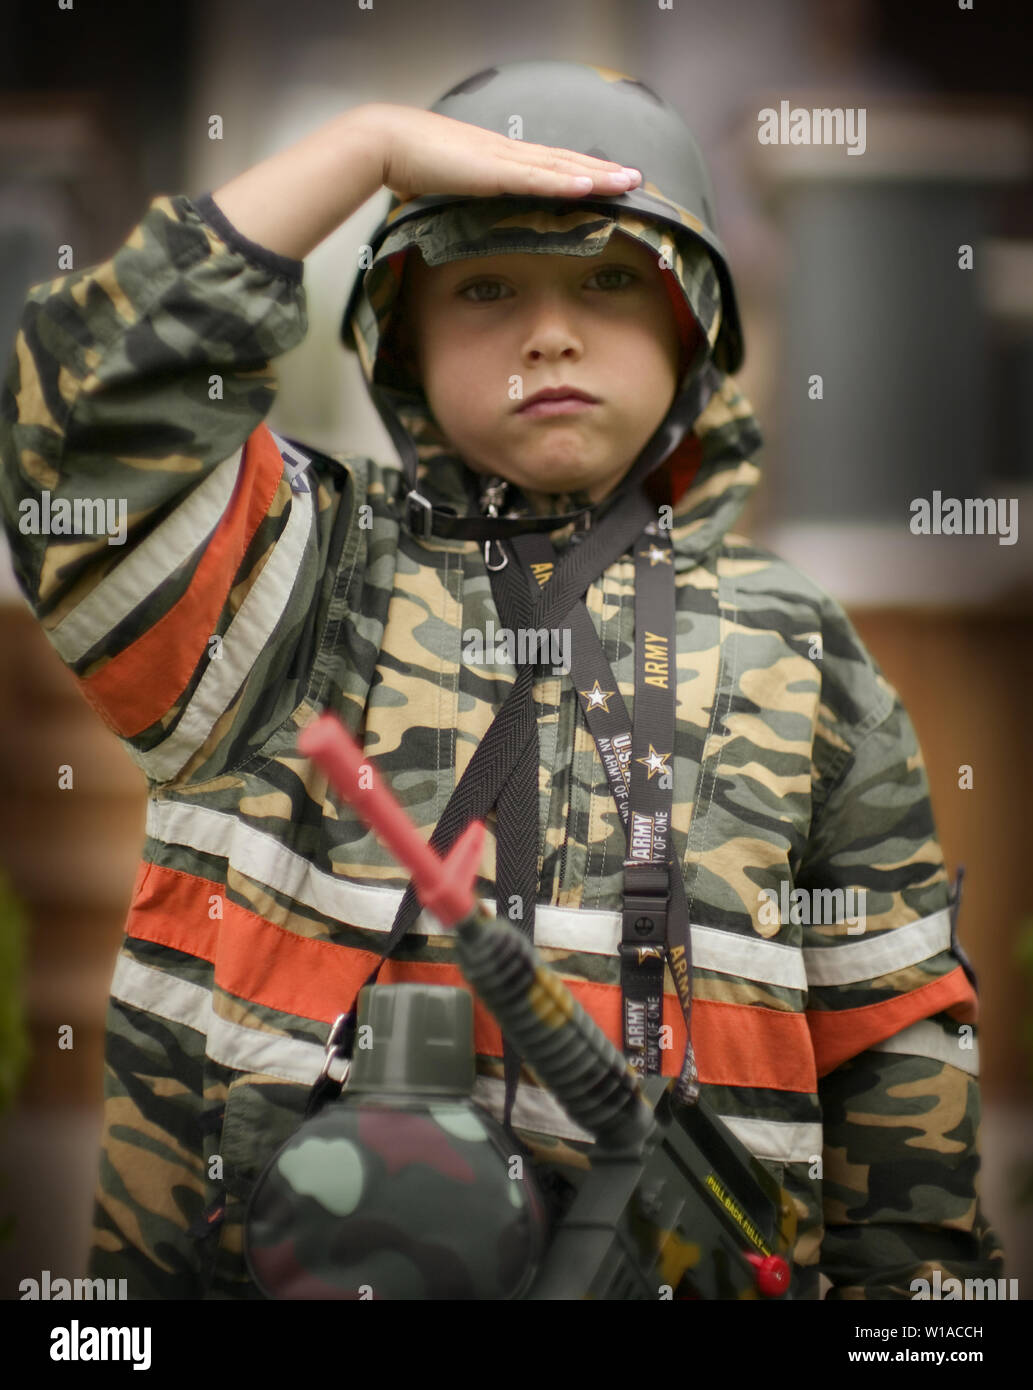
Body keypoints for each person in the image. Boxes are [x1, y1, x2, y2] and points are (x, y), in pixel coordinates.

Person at [0, 59, 1004, 1300]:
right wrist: (362, 149)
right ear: (400, 336)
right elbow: (75, 440)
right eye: (483, 283)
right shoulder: (287, 570)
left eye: (607, 280)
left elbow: (893, 1061)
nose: (551, 330)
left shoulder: (801, 651)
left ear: (691, 323)